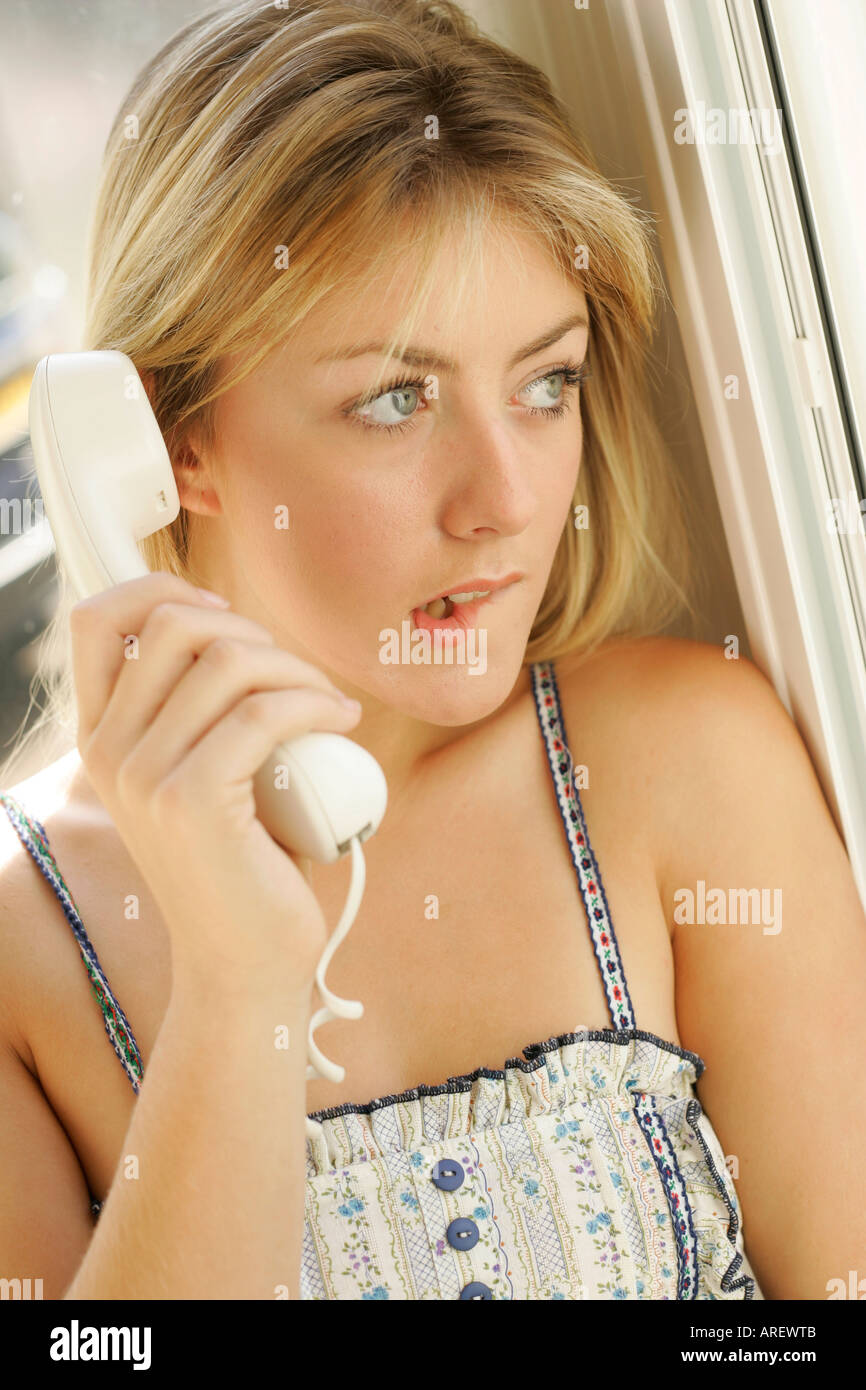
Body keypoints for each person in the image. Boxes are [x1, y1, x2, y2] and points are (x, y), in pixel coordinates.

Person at [1, 0, 864, 1302]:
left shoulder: (683, 760)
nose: (507, 499)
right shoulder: (24, 938)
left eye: (544, 381)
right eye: (396, 400)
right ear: (170, 440)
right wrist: (240, 987)